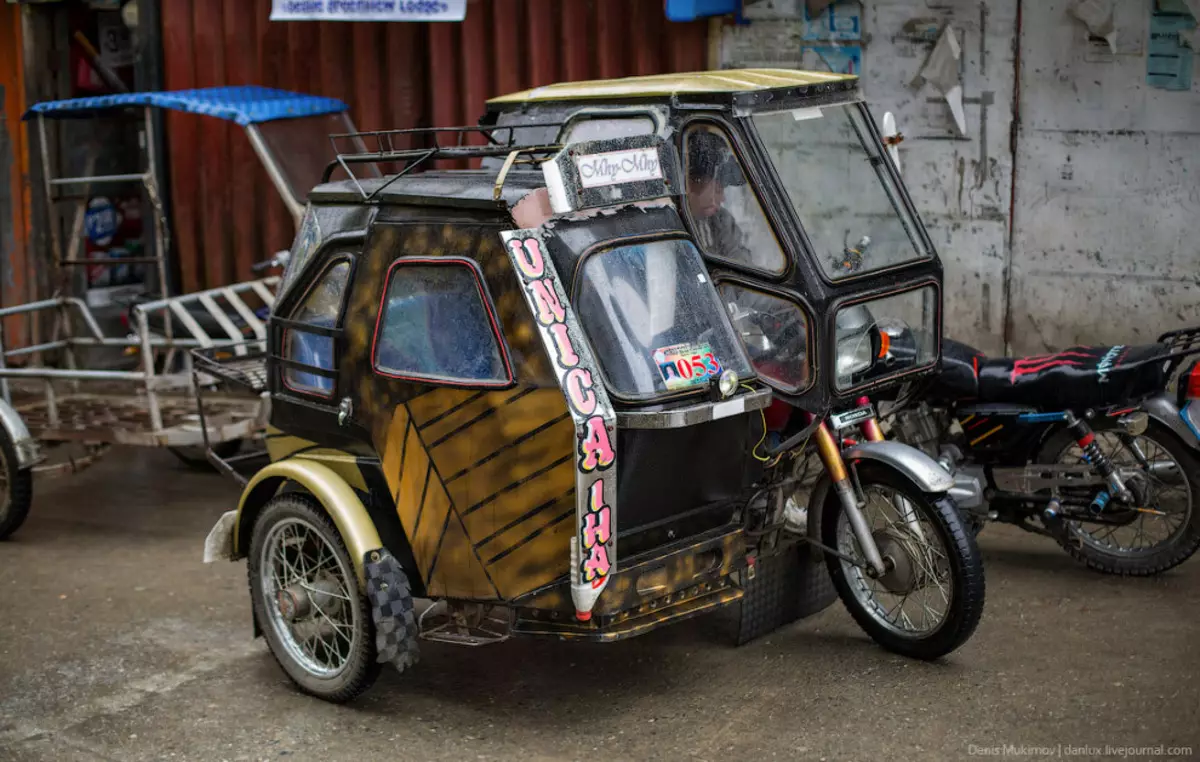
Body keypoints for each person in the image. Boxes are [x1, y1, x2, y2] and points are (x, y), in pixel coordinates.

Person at [685, 130, 756, 266]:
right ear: (692, 183)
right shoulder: (672, 226)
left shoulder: (720, 220)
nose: (722, 198)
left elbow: (740, 259)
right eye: (718, 189)